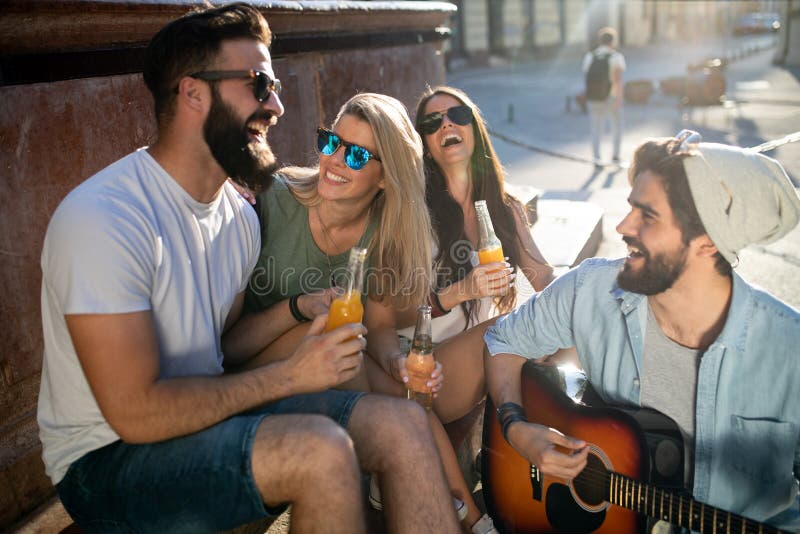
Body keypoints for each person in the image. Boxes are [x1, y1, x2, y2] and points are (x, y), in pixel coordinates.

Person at [37, 5, 460, 533]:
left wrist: (301, 318)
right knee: (323, 451)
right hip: (107, 461)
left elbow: (227, 348)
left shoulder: (237, 216)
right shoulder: (106, 217)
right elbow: (136, 414)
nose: (277, 106)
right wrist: (290, 375)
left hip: (211, 418)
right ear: (194, 93)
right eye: (259, 85)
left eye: (275, 87)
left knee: (404, 424)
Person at [484, 130, 800, 531]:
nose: (622, 226)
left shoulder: (788, 348)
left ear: (706, 242)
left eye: (647, 216)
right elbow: (503, 342)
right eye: (630, 207)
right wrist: (516, 428)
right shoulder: (591, 288)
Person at [223, 91, 494, 532]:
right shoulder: (271, 201)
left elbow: (381, 328)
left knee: (405, 395)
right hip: (248, 378)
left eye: (356, 155)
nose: (333, 161)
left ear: (386, 178)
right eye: (331, 142)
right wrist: (298, 308)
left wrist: (396, 361)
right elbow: (227, 348)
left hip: (331, 372)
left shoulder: (385, 232)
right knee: (340, 338)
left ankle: (456, 510)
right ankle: (458, 511)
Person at [582, 27, 626, 166]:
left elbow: (586, 77)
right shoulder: (616, 57)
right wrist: (619, 98)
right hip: (611, 97)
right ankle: (615, 156)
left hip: (594, 97)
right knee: (616, 127)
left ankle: (597, 158)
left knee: (596, 128)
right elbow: (618, 80)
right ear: (612, 41)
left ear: (600, 41)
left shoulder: (590, 56)